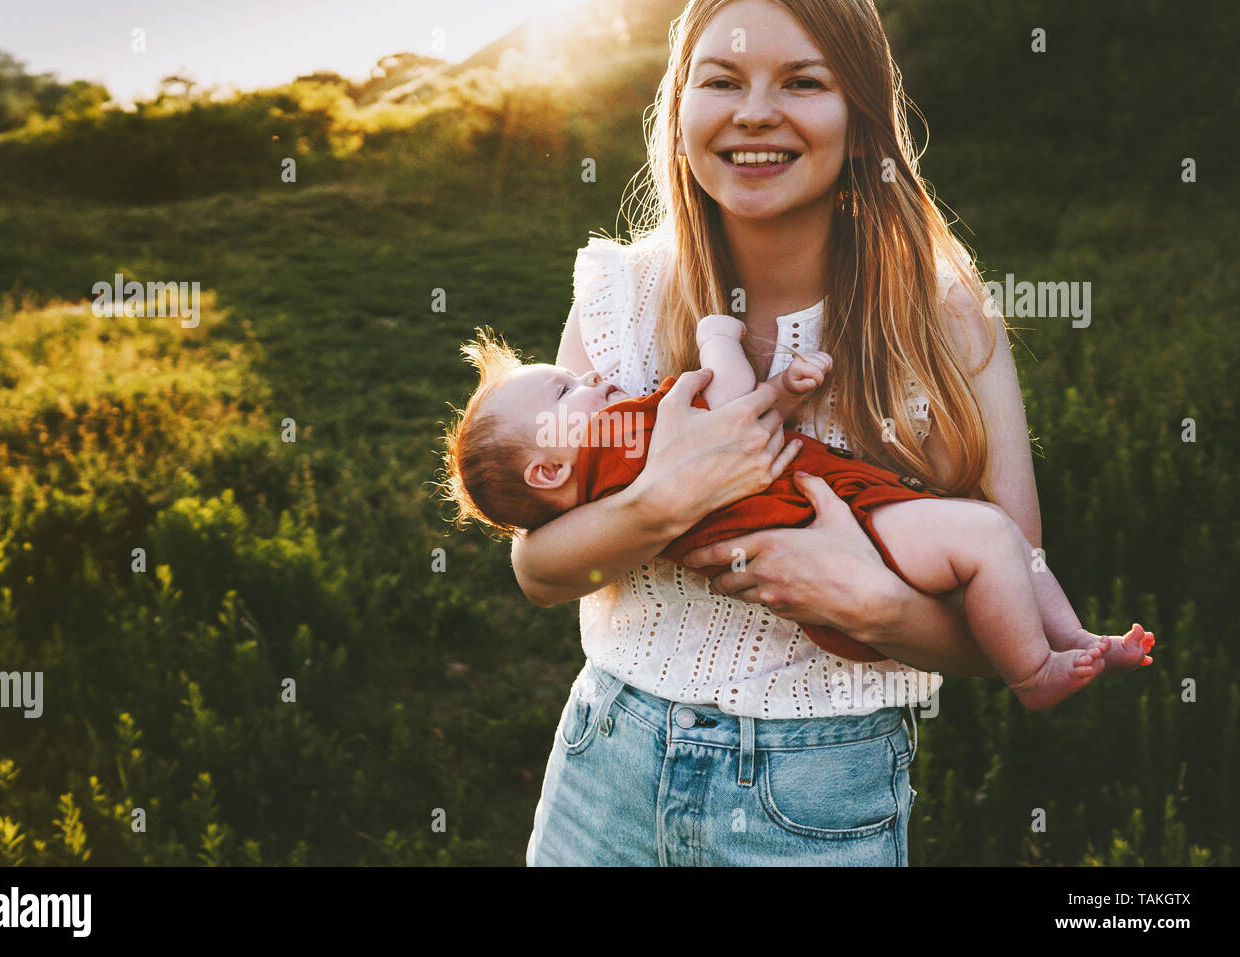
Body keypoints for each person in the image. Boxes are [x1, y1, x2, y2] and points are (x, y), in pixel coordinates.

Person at [483, 0, 1124, 865]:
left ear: (860, 122)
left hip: (817, 787)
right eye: (721, 81)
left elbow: (1015, 574)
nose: (754, 111)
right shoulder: (620, 296)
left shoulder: (937, 316)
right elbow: (540, 569)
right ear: (678, 115)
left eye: (802, 81)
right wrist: (666, 498)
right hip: (607, 766)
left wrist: (878, 606)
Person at [441, 320, 1153, 712]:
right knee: (995, 538)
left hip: (840, 528)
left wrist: (781, 389)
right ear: (550, 469)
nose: (592, 378)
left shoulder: (605, 458)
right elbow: (727, 406)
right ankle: (1037, 672)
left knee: (999, 546)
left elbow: (745, 427)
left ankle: (1070, 643)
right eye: (566, 389)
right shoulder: (618, 443)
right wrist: (719, 342)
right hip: (842, 521)